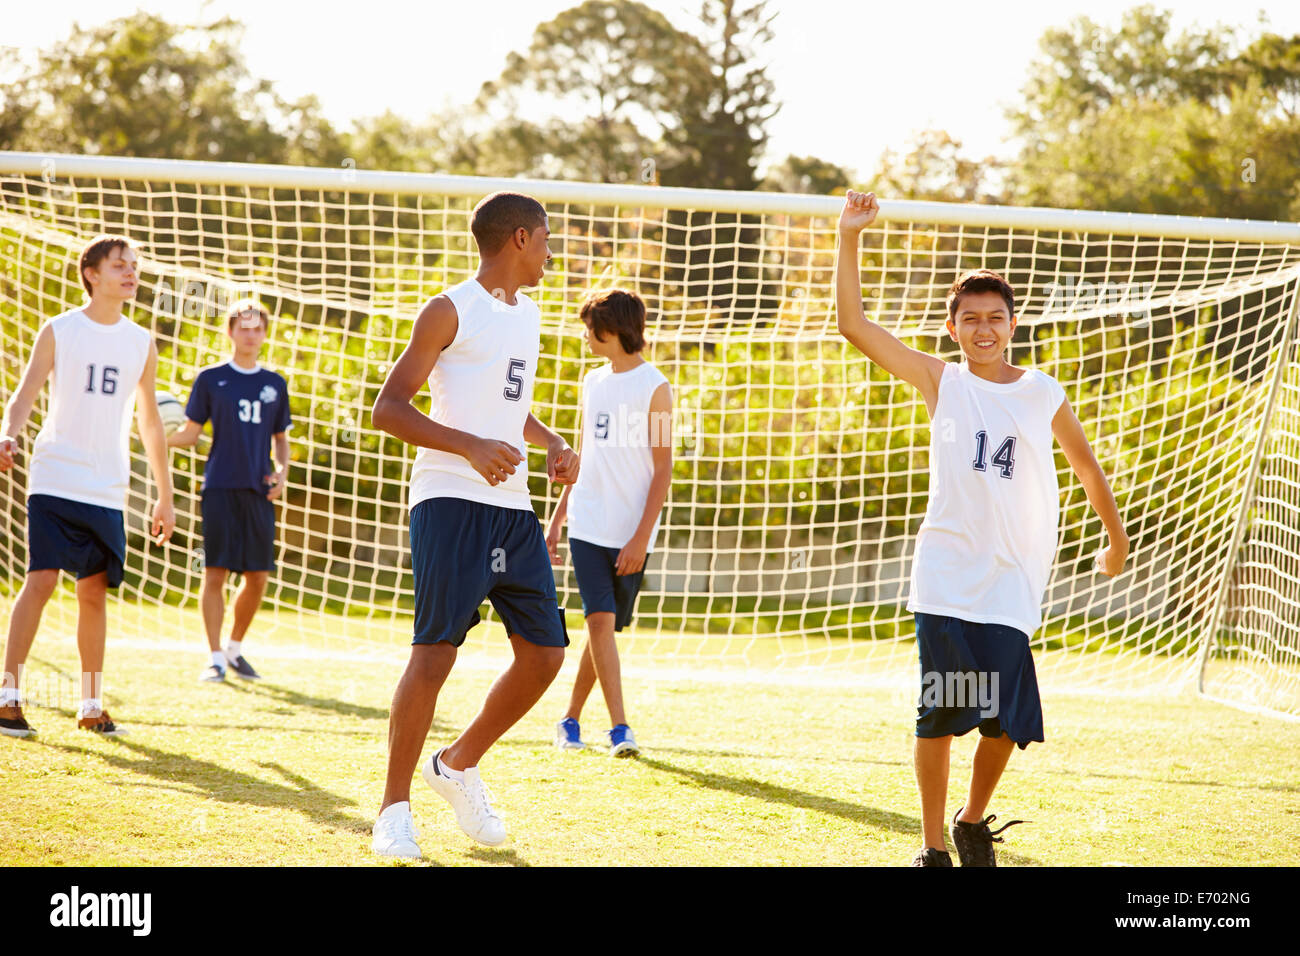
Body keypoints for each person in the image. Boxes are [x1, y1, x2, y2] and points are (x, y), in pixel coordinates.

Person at [835, 190, 1130, 866]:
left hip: (1010, 587)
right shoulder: (941, 382)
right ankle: (934, 847)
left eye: (996, 317)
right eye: (971, 319)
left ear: (1014, 323)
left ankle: (973, 820)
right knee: (942, 713)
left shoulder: (1041, 391)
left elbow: (1086, 466)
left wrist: (1115, 538)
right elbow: (853, 324)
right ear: (952, 328)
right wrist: (850, 235)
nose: (985, 329)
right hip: (946, 581)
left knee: (1005, 722)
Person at [369, 191, 578, 859]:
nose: (552, 250)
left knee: (545, 652)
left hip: (512, 507)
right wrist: (468, 447)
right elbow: (390, 409)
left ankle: (456, 764)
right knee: (435, 655)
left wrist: (548, 441)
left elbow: (505, 408)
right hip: (448, 501)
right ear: (519, 238)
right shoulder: (447, 308)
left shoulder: (531, 314)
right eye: (547, 238)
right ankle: (393, 811)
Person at [0, 235, 176, 738]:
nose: (131, 272)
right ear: (91, 273)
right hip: (55, 475)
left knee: (94, 593)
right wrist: (7, 434)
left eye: (135, 266)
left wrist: (164, 494)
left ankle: (91, 704)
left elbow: (149, 422)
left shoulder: (141, 341)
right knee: (42, 580)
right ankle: (8, 695)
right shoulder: (59, 329)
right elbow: (25, 392)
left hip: (107, 487)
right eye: (120, 265)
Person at [546, 289, 672, 758]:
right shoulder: (591, 382)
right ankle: (621, 730)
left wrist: (641, 537)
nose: (585, 336)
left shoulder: (656, 386)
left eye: (590, 327)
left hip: (631, 531)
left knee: (604, 629)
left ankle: (570, 719)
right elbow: (583, 457)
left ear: (613, 330)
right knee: (598, 620)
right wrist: (557, 518)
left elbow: (663, 468)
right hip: (587, 523)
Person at [168, 300, 290, 682]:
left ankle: (235, 649)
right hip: (219, 487)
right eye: (244, 327)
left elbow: (280, 439)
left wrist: (282, 472)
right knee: (215, 573)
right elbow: (190, 433)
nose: (250, 335)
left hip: (257, 491)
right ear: (231, 332)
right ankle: (215, 657)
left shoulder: (274, 383)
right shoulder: (210, 378)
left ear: (264, 333)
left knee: (257, 576)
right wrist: (157, 437)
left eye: (257, 328)